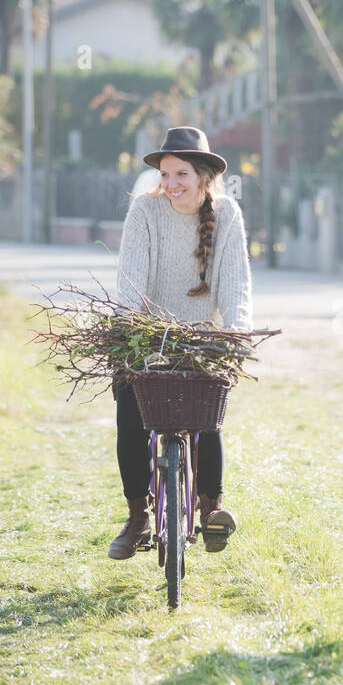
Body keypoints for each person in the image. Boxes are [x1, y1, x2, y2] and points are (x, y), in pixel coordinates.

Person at [107, 126, 254, 560]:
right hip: (146, 336)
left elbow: (236, 284)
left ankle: (212, 510)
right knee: (130, 419)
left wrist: (236, 330)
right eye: (165, 174)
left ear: (205, 176)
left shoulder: (227, 215)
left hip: (203, 339)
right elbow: (130, 278)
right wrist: (126, 329)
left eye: (181, 174)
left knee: (208, 418)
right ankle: (138, 517)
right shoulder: (145, 212)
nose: (170, 184)